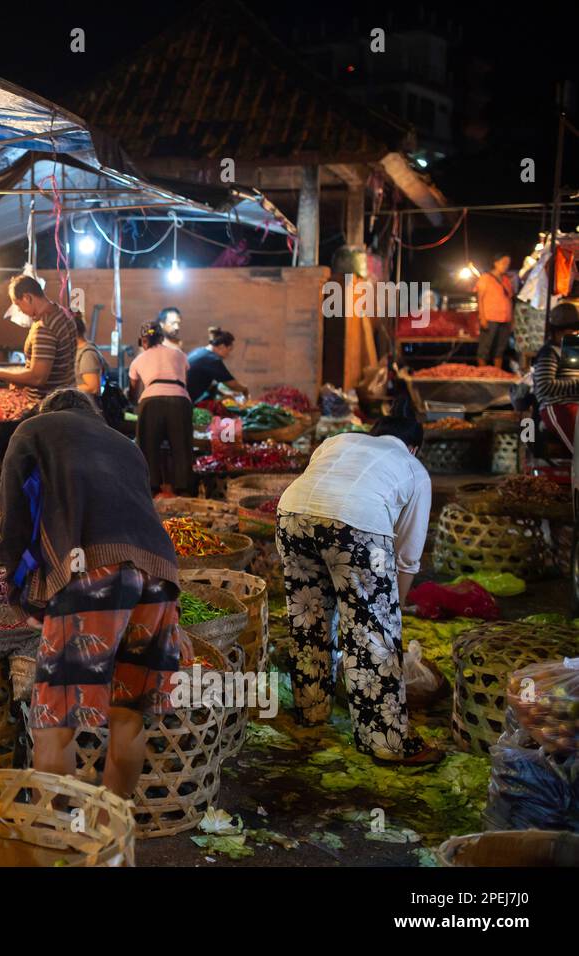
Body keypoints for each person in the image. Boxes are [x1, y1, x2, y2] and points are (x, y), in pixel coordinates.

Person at [0, 388, 187, 799]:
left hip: (92, 571)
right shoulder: (126, 445)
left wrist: (22, 594)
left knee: (54, 721)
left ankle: (62, 843)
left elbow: (12, 519)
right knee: (128, 716)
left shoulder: (33, 430)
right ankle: (112, 831)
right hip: (159, 573)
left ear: (49, 410)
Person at [275, 416, 439, 765]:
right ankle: (385, 741)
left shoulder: (337, 442)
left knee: (309, 617)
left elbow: (320, 491)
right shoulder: (414, 467)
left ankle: (312, 713)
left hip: (291, 515)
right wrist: (392, 614)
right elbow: (408, 559)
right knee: (371, 633)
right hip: (356, 526)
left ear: (373, 434)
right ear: (414, 447)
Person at [0, 275, 77, 398]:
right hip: (67, 395)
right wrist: (18, 380)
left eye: (18, 304)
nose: (19, 310)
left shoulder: (44, 327)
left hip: (47, 404)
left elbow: (37, 378)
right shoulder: (62, 313)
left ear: (27, 298)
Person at [128, 311, 192, 496]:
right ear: (162, 338)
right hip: (180, 400)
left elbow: (133, 390)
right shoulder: (179, 354)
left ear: (144, 341)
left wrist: (133, 402)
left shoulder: (139, 359)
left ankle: (151, 489)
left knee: (148, 447)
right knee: (182, 448)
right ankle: (184, 490)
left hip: (151, 401)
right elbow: (185, 379)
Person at [533, 301, 579, 452]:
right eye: (570, 332)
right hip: (557, 407)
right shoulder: (549, 353)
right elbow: (544, 386)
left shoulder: (573, 351)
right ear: (557, 332)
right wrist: (576, 384)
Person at [186, 326, 248, 403]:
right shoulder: (212, 359)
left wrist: (223, 394)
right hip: (185, 401)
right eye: (229, 350)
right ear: (222, 346)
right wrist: (245, 389)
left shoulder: (200, 351)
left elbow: (202, 381)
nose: (228, 354)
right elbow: (233, 385)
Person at [475, 254, 514, 368]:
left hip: (505, 319)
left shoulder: (507, 279)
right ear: (496, 263)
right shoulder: (485, 278)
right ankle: (483, 374)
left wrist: (512, 319)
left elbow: (510, 299)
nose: (506, 266)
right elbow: (480, 298)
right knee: (485, 347)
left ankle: (498, 373)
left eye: (508, 264)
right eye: (504, 263)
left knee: (500, 348)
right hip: (490, 318)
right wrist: (482, 318)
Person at [73, 312, 110, 400]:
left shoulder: (87, 354)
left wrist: (66, 390)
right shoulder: (78, 351)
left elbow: (93, 387)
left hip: (86, 409)